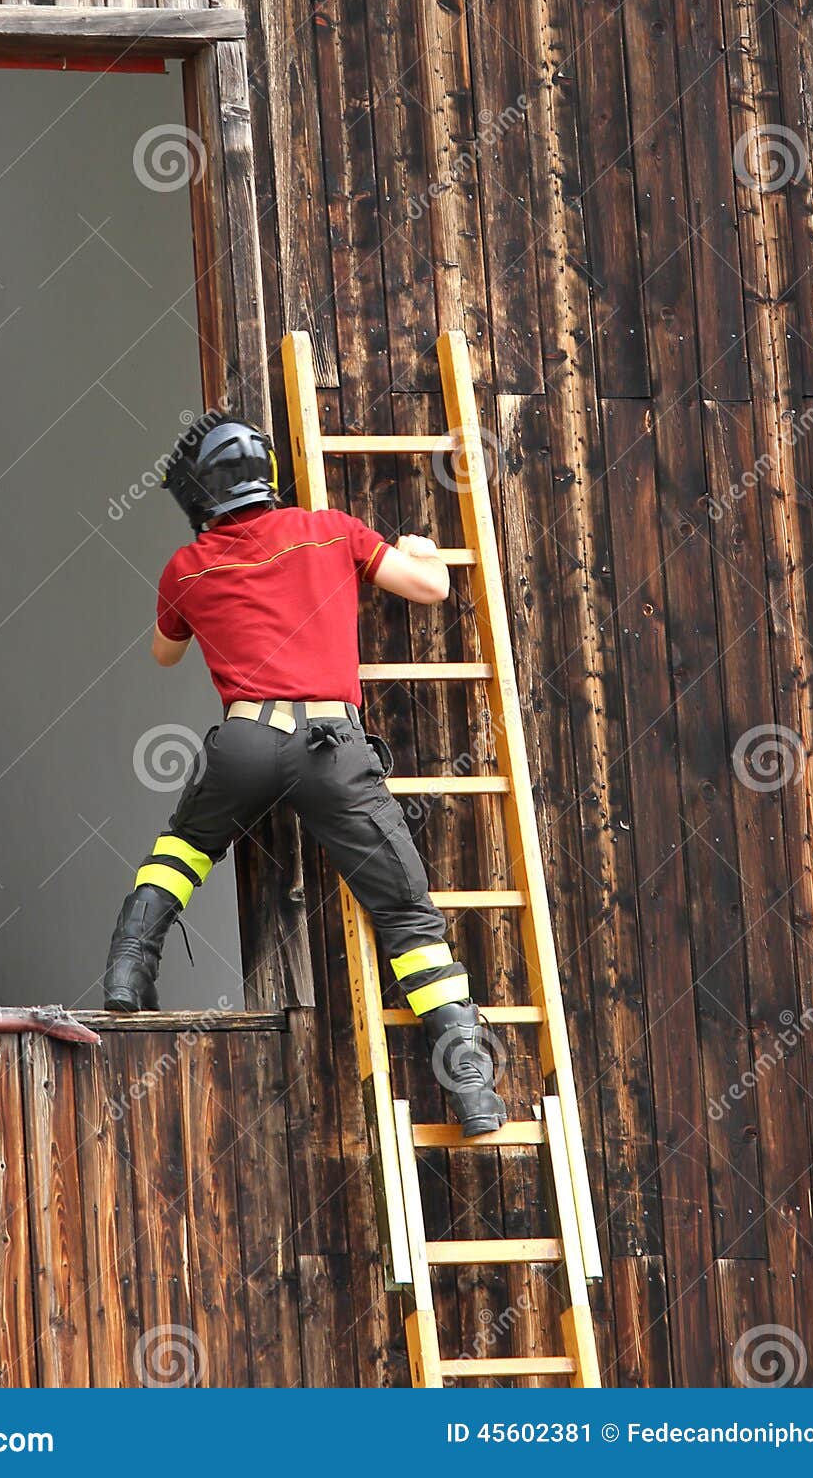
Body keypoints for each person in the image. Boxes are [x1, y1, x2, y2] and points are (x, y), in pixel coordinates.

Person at [102, 412, 506, 1137]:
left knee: (184, 848)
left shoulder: (187, 567)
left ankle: (129, 970)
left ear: (199, 494)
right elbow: (429, 588)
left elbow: (163, 655)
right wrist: (420, 547)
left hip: (246, 740)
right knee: (405, 913)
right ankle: (471, 1086)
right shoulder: (330, 529)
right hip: (332, 745)